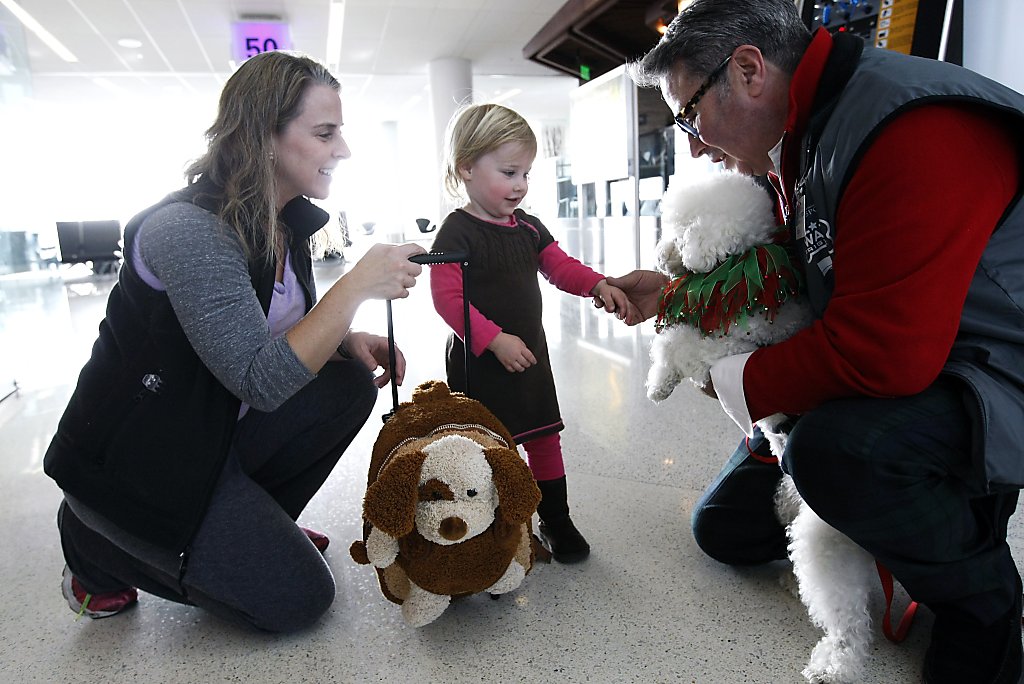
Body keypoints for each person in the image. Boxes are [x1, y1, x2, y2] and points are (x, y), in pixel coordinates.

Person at [608, 1, 1024, 682]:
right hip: (919, 364)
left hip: (989, 375)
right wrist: (676, 295)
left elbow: (884, 352)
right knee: (726, 527)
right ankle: (887, 528)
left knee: (833, 456)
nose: (691, 142)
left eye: (689, 114)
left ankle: (985, 603)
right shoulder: (801, 140)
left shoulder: (910, 128)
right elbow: (802, 277)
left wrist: (736, 378)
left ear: (747, 71)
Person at [43, 50, 426, 632]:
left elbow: (258, 327)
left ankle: (252, 525)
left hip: (209, 434)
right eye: (325, 134)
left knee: (346, 382)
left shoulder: (282, 220)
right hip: (139, 461)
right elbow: (258, 378)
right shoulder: (188, 230)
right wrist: (353, 288)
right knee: (300, 599)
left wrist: (344, 336)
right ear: (263, 138)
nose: (342, 150)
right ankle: (94, 536)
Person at [428, 103, 638, 563]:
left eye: (526, 172)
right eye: (508, 171)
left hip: (530, 356)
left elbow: (560, 267)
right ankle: (499, 525)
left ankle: (556, 519)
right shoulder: (456, 232)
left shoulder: (527, 228)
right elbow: (448, 300)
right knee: (490, 446)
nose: (520, 184)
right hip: (480, 361)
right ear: (466, 166)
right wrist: (494, 340)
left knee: (544, 436)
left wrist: (598, 284)